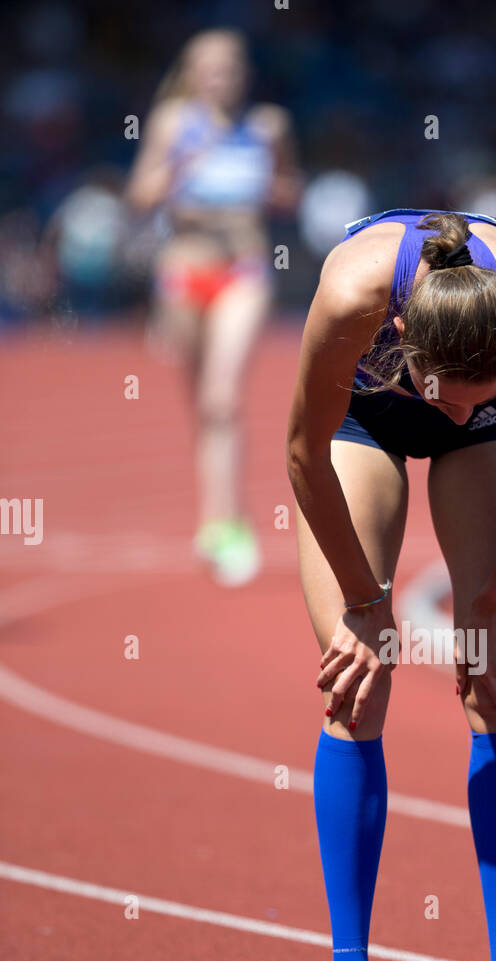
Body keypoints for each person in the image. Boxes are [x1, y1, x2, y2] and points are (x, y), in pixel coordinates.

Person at [285, 209, 496, 961]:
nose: (453, 420)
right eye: (448, 401)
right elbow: (304, 455)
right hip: (362, 420)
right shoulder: (351, 295)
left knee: (494, 677)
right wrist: (365, 600)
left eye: (477, 399)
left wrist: (490, 602)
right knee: (358, 678)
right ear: (409, 350)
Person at [127, 28, 301, 584]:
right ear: (194, 74)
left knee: (223, 398)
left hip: (244, 270)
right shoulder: (174, 123)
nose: (221, 80)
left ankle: (232, 525)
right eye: (211, 71)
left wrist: (274, 184)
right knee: (202, 404)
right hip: (184, 269)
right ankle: (213, 518)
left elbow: (291, 190)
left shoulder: (268, 125)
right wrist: (181, 165)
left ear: (242, 74)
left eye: (230, 70)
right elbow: (139, 196)